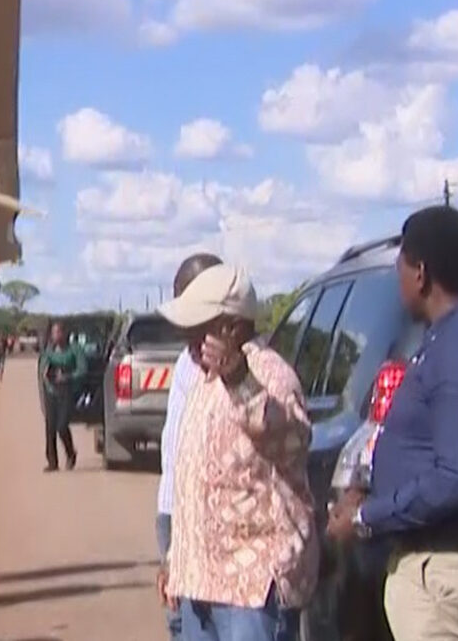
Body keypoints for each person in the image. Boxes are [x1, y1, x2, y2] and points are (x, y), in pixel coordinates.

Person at [327, 206, 458, 641]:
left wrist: (365, 517)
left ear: (420, 273)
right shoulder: (447, 336)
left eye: (400, 265)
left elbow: (454, 477)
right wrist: (372, 492)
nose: (398, 277)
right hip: (432, 564)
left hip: (446, 572)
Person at [160, 263, 317, 641]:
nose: (188, 339)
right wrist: (176, 561)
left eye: (197, 328)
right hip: (203, 583)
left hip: (253, 591)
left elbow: (291, 442)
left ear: (231, 327)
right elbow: (194, 479)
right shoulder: (204, 381)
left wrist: (241, 382)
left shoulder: (270, 375)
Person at [154, 253, 222, 641]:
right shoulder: (186, 362)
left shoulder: (244, 368)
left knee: (209, 619)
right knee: (180, 618)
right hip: (173, 507)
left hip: (206, 516)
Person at [37, 322, 82, 471]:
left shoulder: (74, 350)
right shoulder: (49, 351)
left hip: (67, 392)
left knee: (62, 426)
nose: (56, 336)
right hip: (51, 391)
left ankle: (71, 453)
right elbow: (43, 369)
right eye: (53, 333)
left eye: (58, 332)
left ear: (64, 333)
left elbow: (82, 370)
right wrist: (46, 374)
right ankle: (52, 462)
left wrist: (67, 376)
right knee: (50, 427)